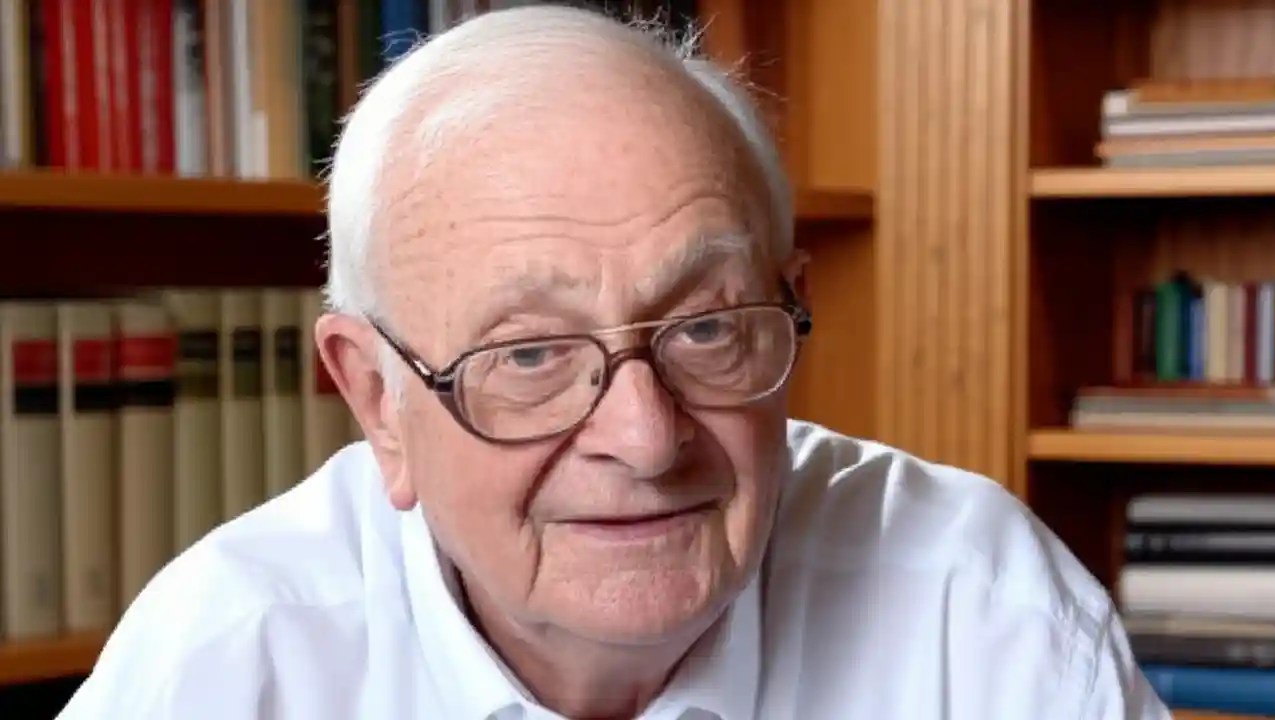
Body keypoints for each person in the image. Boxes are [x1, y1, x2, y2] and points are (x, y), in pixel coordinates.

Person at [60, 6, 1171, 719]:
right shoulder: (227, 663)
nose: (644, 438)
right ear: (376, 399)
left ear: (788, 306)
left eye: (703, 328)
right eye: (530, 353)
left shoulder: (973, 610)